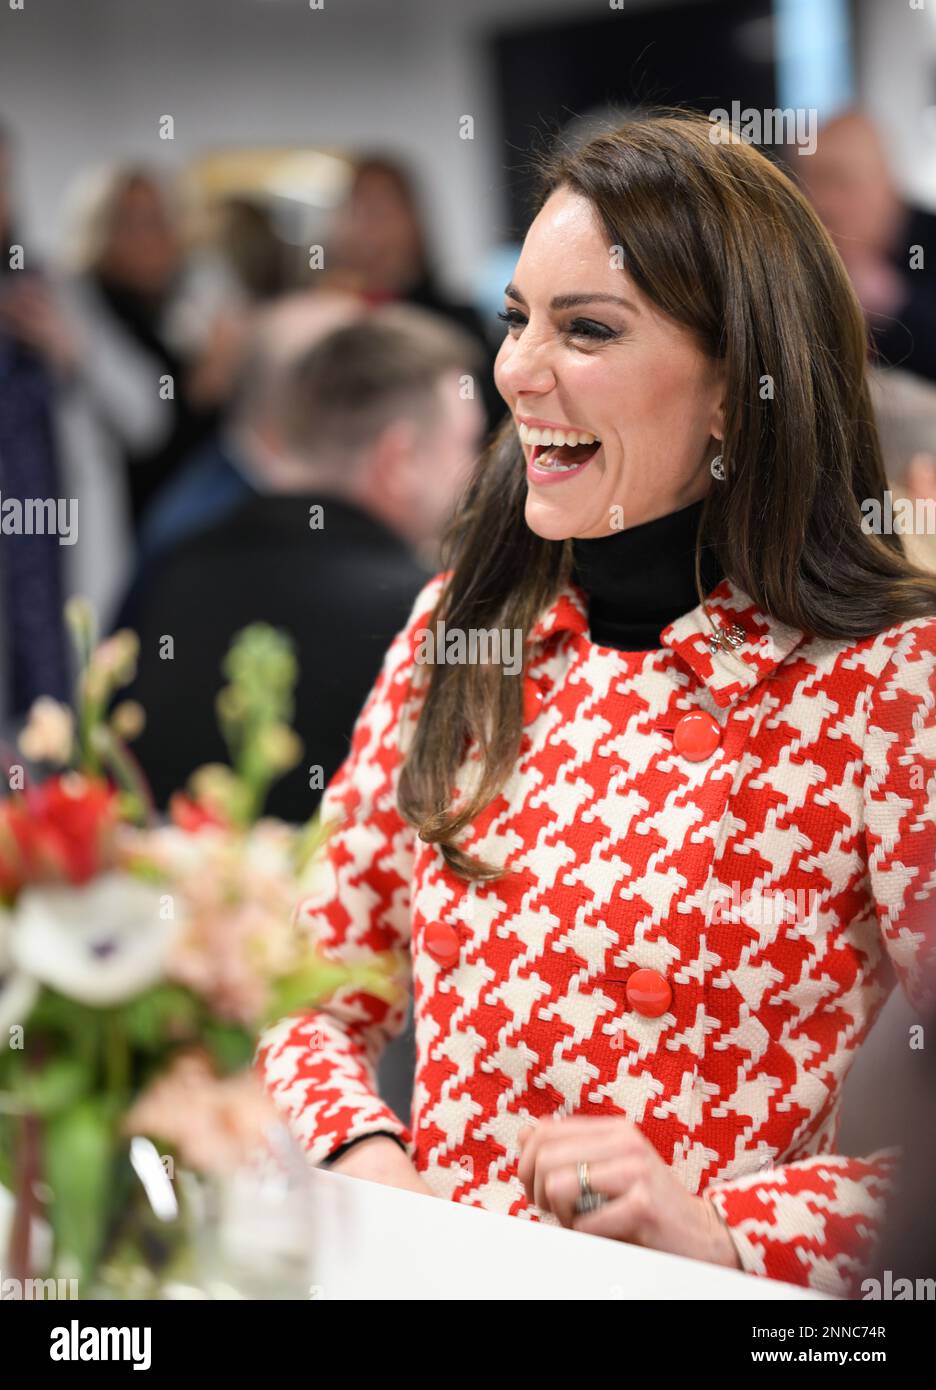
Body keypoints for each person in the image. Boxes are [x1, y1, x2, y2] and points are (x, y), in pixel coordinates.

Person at [257, 110, 936, 1297]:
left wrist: (732, 1229)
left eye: (588, 330)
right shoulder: (458, 629)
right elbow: (302, 980)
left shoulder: (882, 679)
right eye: (519, 318)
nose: (518, 369)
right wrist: (366, 1156)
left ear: (738, 387)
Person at [122, 303, 484, 824]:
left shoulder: (178, 564)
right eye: (466, 444)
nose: (474, 475)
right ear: (398, 460)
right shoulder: (427, 615)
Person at [325, 154, 503, 433]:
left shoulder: (456, 321)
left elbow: (483, 418)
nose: (366, 229)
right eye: (356, 210)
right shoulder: (327, 319)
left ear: (414, 221)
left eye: (380, 211)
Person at [800, 111, 936, 385]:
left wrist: (895, 305)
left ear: (884, 181)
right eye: (809, 182)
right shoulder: (803, 250)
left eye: (839, 180)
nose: (822, 203)